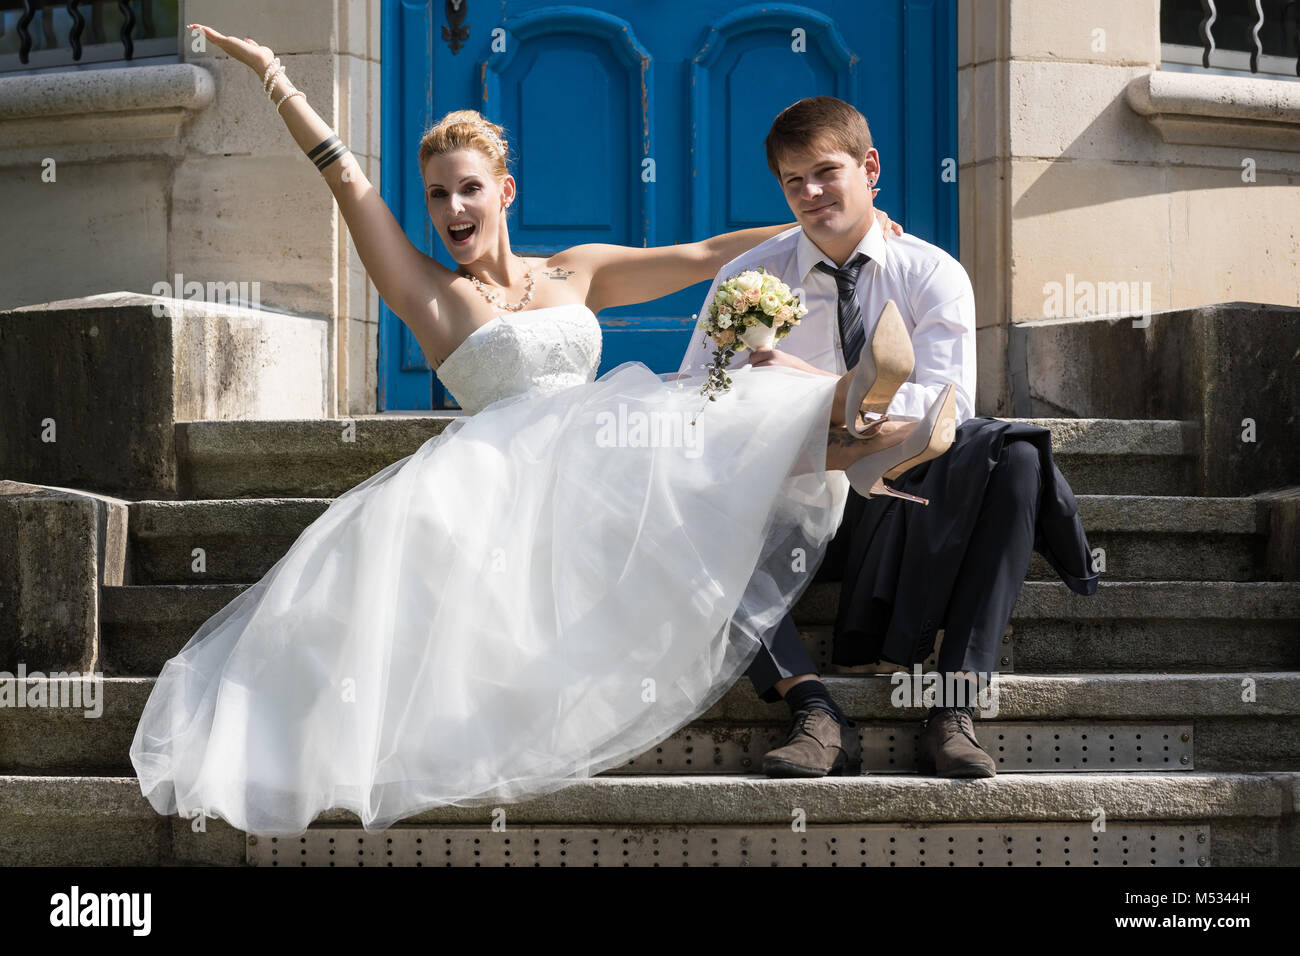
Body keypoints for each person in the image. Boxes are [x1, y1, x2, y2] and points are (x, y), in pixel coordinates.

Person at [128, 26, 951, 836]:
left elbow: (704, 253)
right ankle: (855, 445)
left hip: (604, 447)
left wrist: (859, 233)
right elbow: (349, 184)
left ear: (504, 192)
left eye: (469, 188)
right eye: (439, 195)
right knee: (678, 500)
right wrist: (278, 78)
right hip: (498, 472)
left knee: (715, 411)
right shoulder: (430, 294)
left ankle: (858, 424)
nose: (454, 208)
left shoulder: (574, 271)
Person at [679, 96, 1099, 780]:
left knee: (1016, 457)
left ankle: (955, 705)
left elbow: (942, 414)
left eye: (825, 172)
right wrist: (840, 420)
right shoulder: (746, 282)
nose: (810, 194)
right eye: (793, 182)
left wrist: (804, 387)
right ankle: (812, 708)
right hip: (784, 509)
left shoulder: (931, 274)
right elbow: (702, 409)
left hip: (903, 505)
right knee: (670, 488)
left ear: (869, 167)